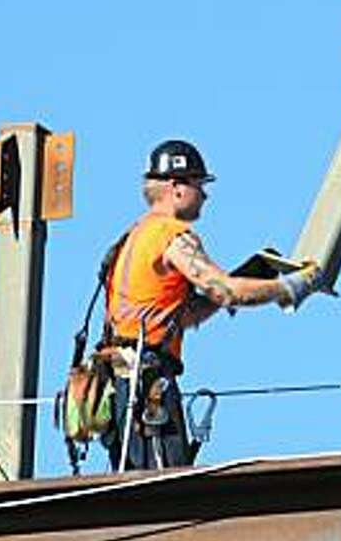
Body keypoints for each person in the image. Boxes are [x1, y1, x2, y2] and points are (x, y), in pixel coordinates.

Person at [100, 138, 324, 469]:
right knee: (164, 482)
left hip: (125, 384)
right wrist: (290, 287)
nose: (205, 195)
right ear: (177, 187)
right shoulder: (172, 235)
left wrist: (241, 283)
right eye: (199, 185)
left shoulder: (135, 237)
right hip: (145, 382)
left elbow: (185, 315)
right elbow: (226, 291)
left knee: (142, 477)